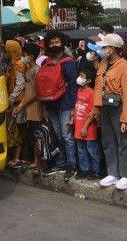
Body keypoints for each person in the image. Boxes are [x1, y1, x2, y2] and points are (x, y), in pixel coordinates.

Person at [92, 33, 127, 190]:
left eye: (105, 47)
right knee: (108, 141)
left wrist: (126, 118)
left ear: (112, 48)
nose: (103, 49)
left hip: (120, 107)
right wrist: (96, 109)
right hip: (105, 106)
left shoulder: (125, 66)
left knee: (124, 142)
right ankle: (113, 173)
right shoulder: (103, 64)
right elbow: (98, 87)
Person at [39, 30, 79, 179]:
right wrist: (44, 107)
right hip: (51, 105)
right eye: (52, 42)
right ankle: (61, 163)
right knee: (57, 135)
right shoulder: (45, 63)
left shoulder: (68, 63)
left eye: (57, 42)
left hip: (66, 105)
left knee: (67, 136)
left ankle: (71, 165)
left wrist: (73, 107)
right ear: (48, 45)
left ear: (62, 43)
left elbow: (73, 86)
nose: (55, 45)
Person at [13, 42, 44, 170]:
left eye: (24, 55)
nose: (23, 57)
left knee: (37, 135)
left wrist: (22, 105)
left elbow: (36, 93)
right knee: (32, 134)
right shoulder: (28, 71)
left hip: (36, 108)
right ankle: (35, 160)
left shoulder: (36, 71)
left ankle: (39, 161)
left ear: (30, 56)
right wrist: (21, 105)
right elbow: (27, 91)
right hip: (28, 108)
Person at [74, 67, 100, 180]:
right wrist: (72, 119)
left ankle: (96, 171)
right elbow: (77, 106)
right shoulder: (79, 91)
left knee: (92, 150)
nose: (79, 78)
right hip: (78, 125)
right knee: (81, 150)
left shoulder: (92, 93)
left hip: (88, 127)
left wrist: (85, 127)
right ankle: (84, 170)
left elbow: (93, 112)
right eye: (79, 75)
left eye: (82, 76)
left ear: (89, 80)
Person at [5, 40, 25, 168]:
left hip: (18, 101)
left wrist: (10, 98)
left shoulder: (19, 64)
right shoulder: (11, 65)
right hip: (13, 101)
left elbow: (20, 84)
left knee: (17, 130)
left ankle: (18, 158)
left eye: (7, 50)